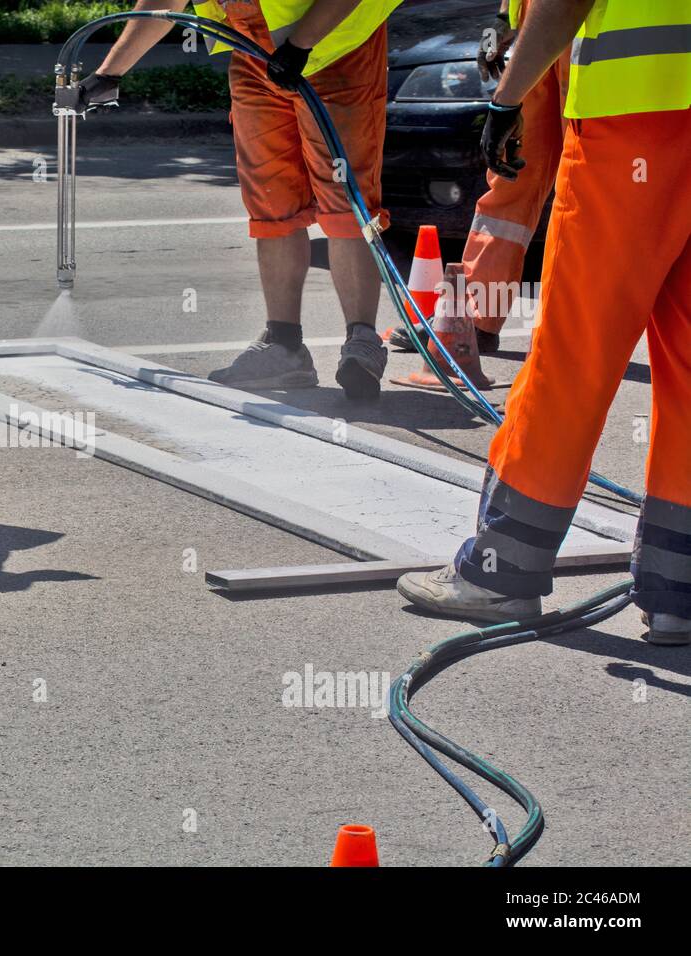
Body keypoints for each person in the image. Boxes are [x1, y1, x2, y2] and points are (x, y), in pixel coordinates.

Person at [397, 0, 691, 645]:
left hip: (632, 121)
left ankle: (503, 572)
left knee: (577, 349)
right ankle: (679, 596)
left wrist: (510, 96)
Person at [75, 0, 401, 400]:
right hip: (255, 51)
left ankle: (362, 342)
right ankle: (283, 346)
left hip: (339, 44)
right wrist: (109, 73)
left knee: (346, 202)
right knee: (272, 201)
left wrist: (302, 43)